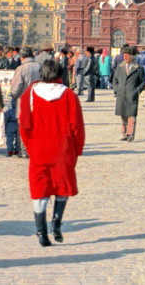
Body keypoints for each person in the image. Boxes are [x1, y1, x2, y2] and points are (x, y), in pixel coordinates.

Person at [19, 58, 85, 247]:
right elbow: (77, 126)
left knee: (39, 190)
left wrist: (30, 147)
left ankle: (41, 233)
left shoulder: (29, 94)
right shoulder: (69, 95)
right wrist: (77, 149)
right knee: (61, 186)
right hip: (63, 149)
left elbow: (24, 125)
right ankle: (56, 223)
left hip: (39, 149)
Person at [8, 49, 41, 158]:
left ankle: (24, 150)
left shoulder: (21, 68)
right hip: (38, 100)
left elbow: (17, 87)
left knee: (23, 126)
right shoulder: (40, 67)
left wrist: (13, 95)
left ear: (22, 57)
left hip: (24, 101)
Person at [113, 47, 145, 141]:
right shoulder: (120, 66)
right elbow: (115, 80)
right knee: (123, 115)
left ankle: (130, 134)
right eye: (124, 56)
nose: (125, 58)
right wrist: (117, 89)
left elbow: (143, 82)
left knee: (131, 115)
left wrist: (137, 91)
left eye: (127, 56)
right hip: (121, 94)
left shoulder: (138, 68)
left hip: (132, 94)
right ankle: (124, 134)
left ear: (132, 57)